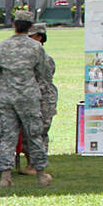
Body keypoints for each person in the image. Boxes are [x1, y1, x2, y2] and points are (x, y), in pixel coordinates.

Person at [0, 10, 52, 187]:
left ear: (14, 24)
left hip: (6, 97)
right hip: (28, 97)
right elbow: (43, 73)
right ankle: (41, 174)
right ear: (31, 27)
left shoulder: (2, 46)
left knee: (7, 137)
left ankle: (5, 176)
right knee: (34, 134)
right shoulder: (36, 48)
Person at [20, 22, 58, 175]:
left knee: (40, 132)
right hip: (30, 97)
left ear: (40, 37)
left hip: (43, 98)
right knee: (27, 133)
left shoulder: (44, 57)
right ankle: (32, 164)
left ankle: (37, 166)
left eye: (32, 36)